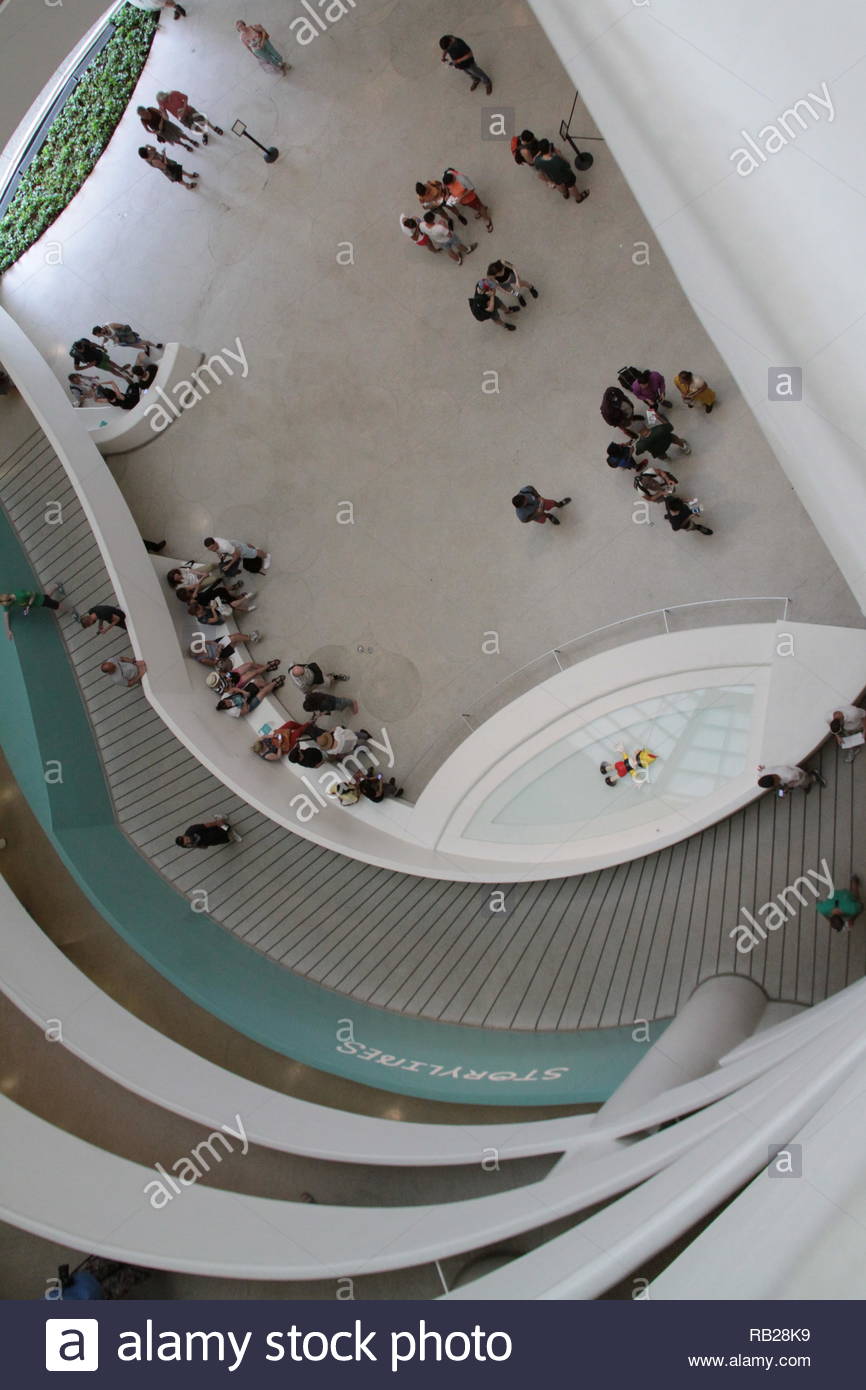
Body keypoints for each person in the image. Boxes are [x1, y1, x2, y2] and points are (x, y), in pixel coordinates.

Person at [532, 139, 589, 203]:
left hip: (553, 177)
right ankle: (578, 198)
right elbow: (568, 164)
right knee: (571, 186)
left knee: (559, 184)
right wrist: (559, 153)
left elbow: (536, 164)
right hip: (565, 175)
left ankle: (565, 194)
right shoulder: (556, 159)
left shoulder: (537, 161)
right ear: (549, 148)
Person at [156, 90, 224, 143]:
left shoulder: (174, 93)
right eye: (163, 101)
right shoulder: (162, 103)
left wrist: (184, 108)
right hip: (182, 118)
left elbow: (185, 98)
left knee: (201, 120)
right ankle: (204, 133)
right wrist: (163, 113)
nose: (165, 102)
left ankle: (213, 127)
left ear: (166, 95)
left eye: (165, 99)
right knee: (192, 127)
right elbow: (167, 118)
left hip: (189, 110)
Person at [216, 673, 285, 716]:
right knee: (262, 693)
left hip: (243, 694)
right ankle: (276, 682)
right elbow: (245, 710)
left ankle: (272, 685)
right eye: (229, 703)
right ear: (227, 707)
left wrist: (243, 692)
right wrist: (245, 701)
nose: (229, 701)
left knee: (257, 682)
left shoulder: (224, 697)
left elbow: (233, 689)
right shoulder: (232, 712)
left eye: (227, 700)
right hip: (248, 704)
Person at [203, 536, 271, 576]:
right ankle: (251, 548)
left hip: (238, 550)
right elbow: (218, 550)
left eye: (212, 548)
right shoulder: (213, 541)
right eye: (210, 549)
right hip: (233, 545)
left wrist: (228, 566)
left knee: (253, 554)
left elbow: (237, 555)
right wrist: (222, 554)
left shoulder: (225, 546)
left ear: (215, 543)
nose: (212, 550)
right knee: (246, 547)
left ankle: (266, 556)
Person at [253, 720, 319, 759]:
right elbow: (278, 756)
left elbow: (266, 736)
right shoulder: (267, 755)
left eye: (263, 743)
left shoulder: (259, 741)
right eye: (264, 746)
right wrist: (279, 745)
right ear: (262, 749)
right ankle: (309, 724)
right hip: (283, 746)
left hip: (278, 737)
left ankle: (306, 728)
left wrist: (274, 736)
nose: (264, 744)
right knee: (297, 733)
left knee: (290, 724)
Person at [756, 764, 826, 795]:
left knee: (802, 780)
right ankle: (805, 784)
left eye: (775, 784)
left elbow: (799, 775)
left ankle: (813, 777)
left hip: (797, 774)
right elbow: (761, 769)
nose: (775, 785)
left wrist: (788, 787)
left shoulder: (788, 775)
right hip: (789, 779)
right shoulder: (763, 773)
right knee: (781, 791)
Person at [175, 817, 242, 849]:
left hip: (212, 830)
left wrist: (218, 823)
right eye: (187, 842)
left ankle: (220, 818)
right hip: (210, 841)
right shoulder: (187, 845)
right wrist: (200, 846)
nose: (188, 840)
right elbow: (203, 847)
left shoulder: (192, 829)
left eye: (186, 839)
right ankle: (230, 835)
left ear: (184, 835)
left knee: (227, 827)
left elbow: (207, 825)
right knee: (226, 840)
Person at [92, 324, 162, 352]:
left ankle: (155, 346)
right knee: (134, 346)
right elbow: (106, 338)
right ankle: (145, 349)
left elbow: (124, 327)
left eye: (97, 335)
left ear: (100, 331)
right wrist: (103, 343)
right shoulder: (103, 333)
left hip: (127, 336)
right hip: (122, 342)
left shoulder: (111, 326)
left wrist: (117, 336)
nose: (98, 337)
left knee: (141, 342)